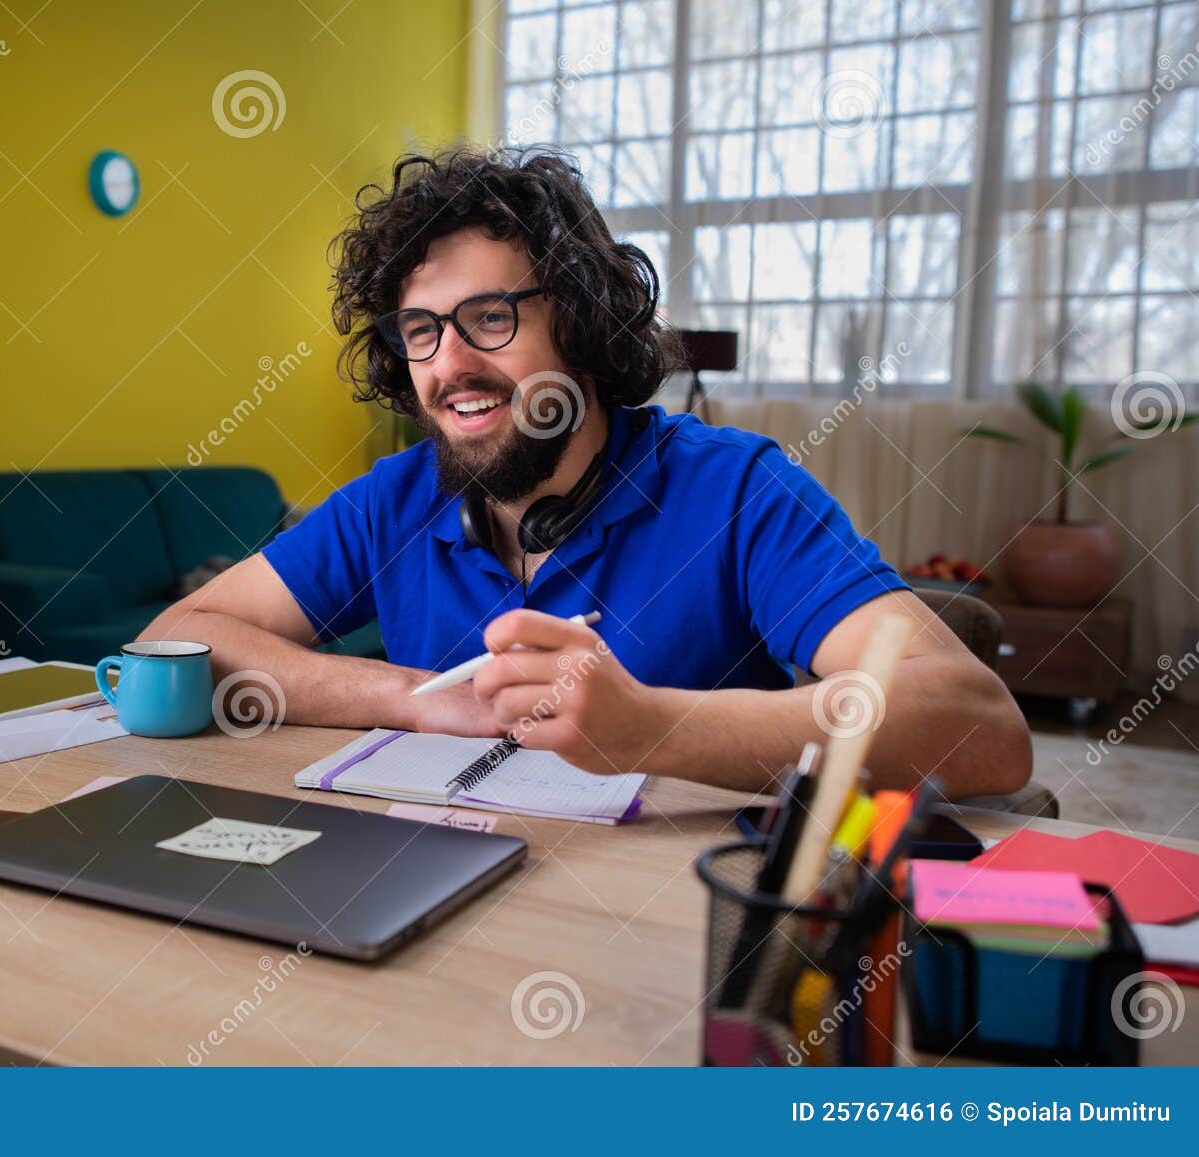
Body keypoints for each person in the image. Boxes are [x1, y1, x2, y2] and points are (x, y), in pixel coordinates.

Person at [141, 147, 1031, 797]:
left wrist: (652, 727)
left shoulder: (737, 491)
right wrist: (412, 698)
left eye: (490, 318)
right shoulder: (395, 499)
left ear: (582, 320)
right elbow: (178, 634)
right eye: (421, 332)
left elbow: (981, 727)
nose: (450, 364)